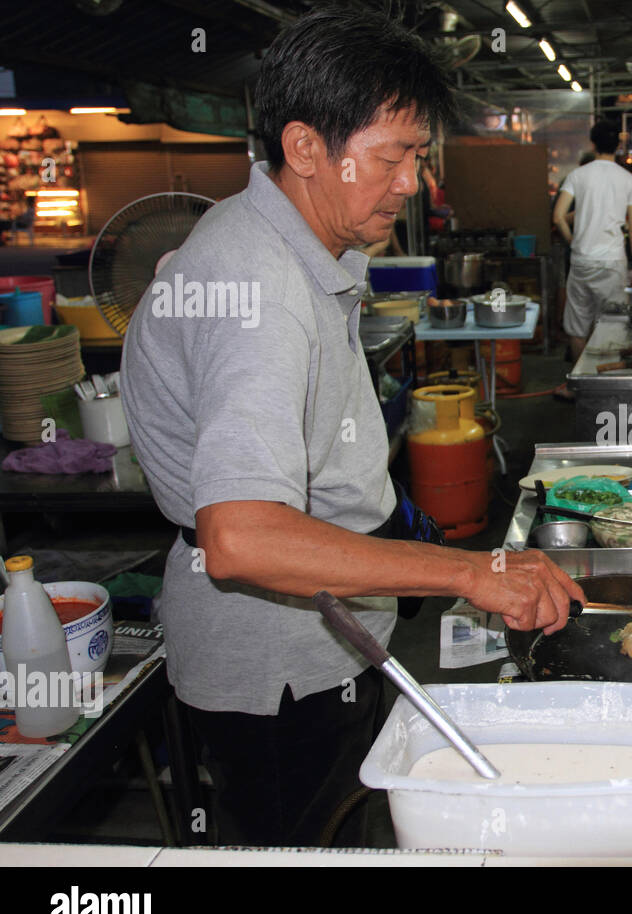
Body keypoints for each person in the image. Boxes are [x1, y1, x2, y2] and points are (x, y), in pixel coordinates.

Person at [120, 9, 584, 847]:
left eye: (418, 156)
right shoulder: (257, 291)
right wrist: (470, 573)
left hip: (328, 636)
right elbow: (241, 537)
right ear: (304, 148)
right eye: (392, 157)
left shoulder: (288, 248)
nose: (412, 182)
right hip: (277, 673)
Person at [551, 121, 632, 399]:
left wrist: (573, 241)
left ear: (592, 144)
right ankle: (607, 388)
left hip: (582, 261)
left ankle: (578, 387)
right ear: (618, 145)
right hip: (612, 262)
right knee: (611, 325)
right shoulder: (628, 179)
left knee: (578, 326)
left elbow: (558, 217)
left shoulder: (578, 175)